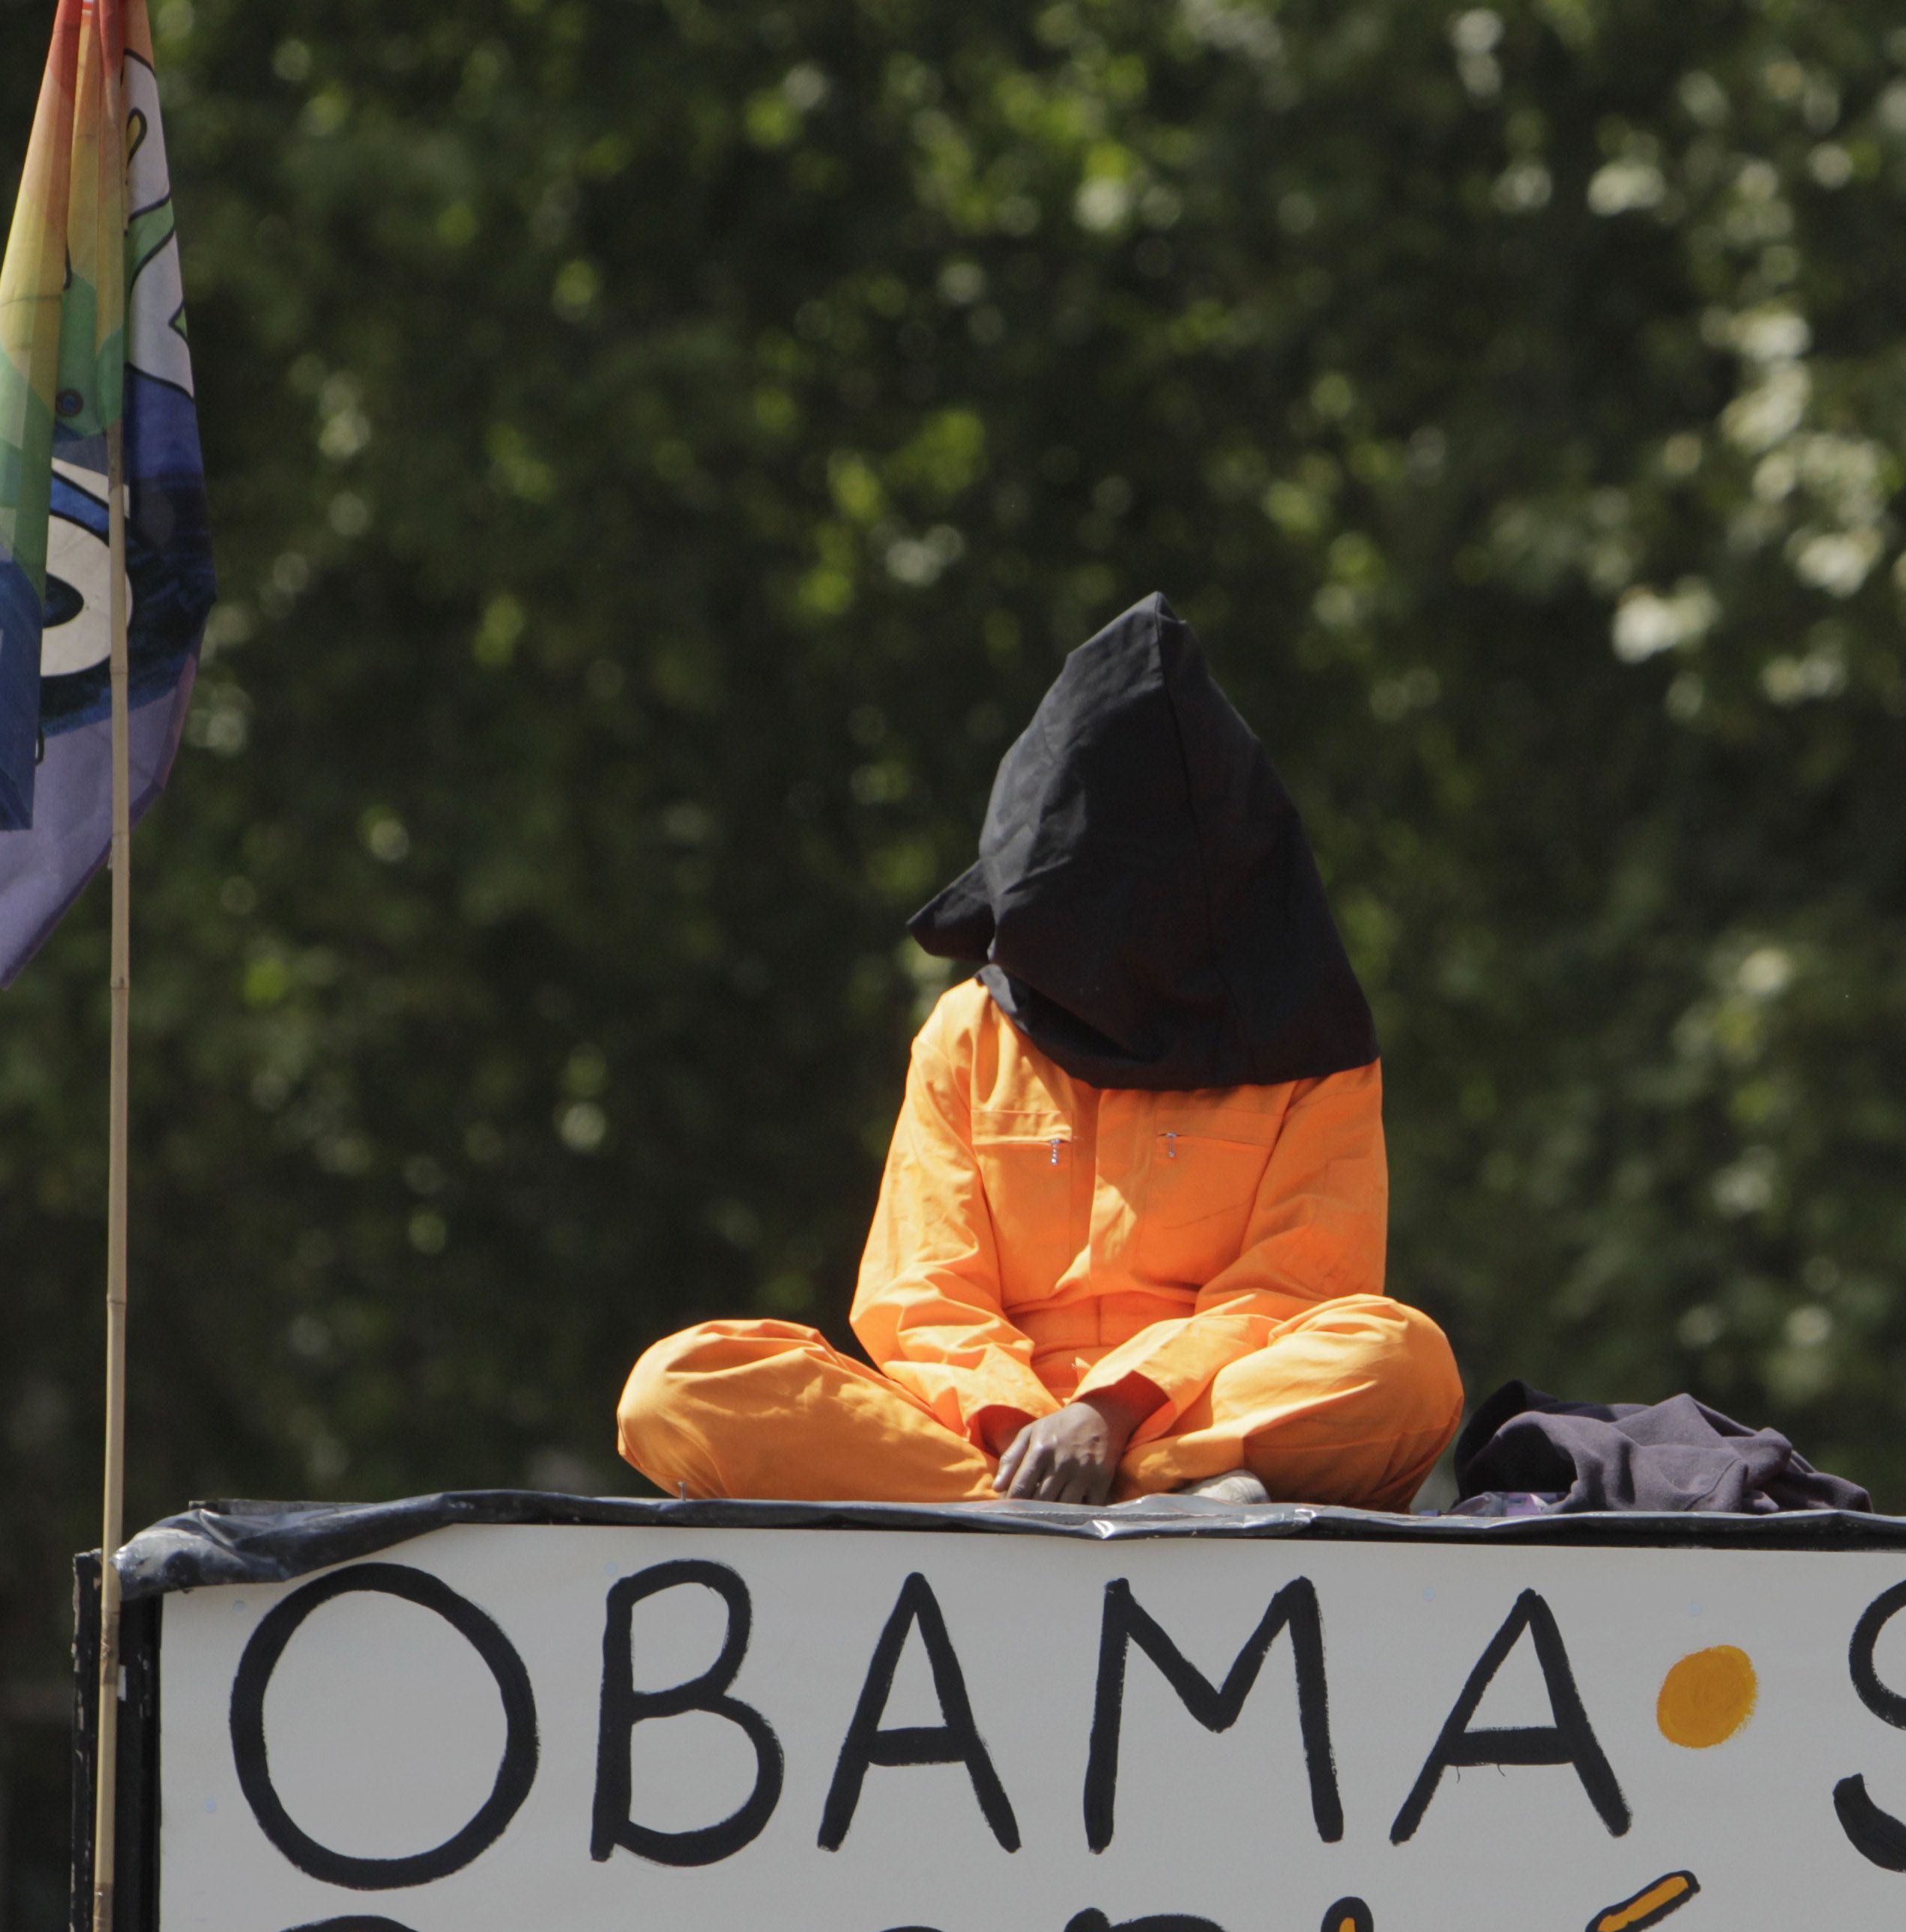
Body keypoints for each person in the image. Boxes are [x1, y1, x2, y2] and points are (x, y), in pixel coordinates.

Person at [617, 595, 1462, 1510]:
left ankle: (1069, 1503)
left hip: (1203, 1411)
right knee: (680, 1388)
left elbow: (1296, 1287)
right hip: (989, 1429)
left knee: (1405, 1365)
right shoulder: (966, 1035)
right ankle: (1104, 1504)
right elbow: (923, 1292)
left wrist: (1110, 1414)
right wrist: (1024, 1430)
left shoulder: (1311, 1044)